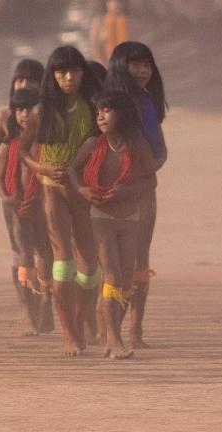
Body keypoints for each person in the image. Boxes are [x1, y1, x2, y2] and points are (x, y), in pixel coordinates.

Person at [67, 88, 157, 359]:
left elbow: (151, 180)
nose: (101, 117)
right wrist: (82, 190)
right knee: (113, 276)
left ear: (122, 113)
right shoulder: (94, 144)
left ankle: (110, 333)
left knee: (127, 279)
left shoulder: (137, 143)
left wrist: (128, 191)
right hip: (101, 216)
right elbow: (73, 169)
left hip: (130, 216)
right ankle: (115, 340)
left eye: (106, 111)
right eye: (97, 112)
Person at [28, 44, 101, 356]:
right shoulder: (41, 111)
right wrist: (41, 167)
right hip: (51, 189)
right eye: (62, 72)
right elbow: (22, 151)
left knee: (90, 266)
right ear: (53, 76)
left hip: (82, 191)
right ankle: (69, 332)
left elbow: (97, 141)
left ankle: (81, 315)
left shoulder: (91, 108)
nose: (69, 77)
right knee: (63, 260)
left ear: (83, 73)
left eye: (75, 71)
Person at [106, 40, 167, 347]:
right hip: (114, 190)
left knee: (140, 259)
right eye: (136, 64)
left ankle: (135, 330)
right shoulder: (109, 104)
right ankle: (111, 329)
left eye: (147, 65)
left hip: (144, 189)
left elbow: (160, 149)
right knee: (117, 262)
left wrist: (148, 170)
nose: (143, 71)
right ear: (120, 66)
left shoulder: (148, 101)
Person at [0, 85, 54, 336]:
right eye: (19, 109)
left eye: (29, 108)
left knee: (46, 255)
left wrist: (40, 202)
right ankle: (29, 309)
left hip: (41, 207)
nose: (24, 114)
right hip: (16, 206)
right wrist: (6, 198)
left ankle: (46, 300)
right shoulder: (10, 145)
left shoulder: (46, 144)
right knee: (24, 254)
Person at [88, 0, 131, 65]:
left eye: (119, 2)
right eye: (113, 2)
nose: (116, 5)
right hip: (105, 62)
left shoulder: (129, 21)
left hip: (126, 63)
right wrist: (99, 61)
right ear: (107, 3)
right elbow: (93, 44)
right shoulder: (99, 21)